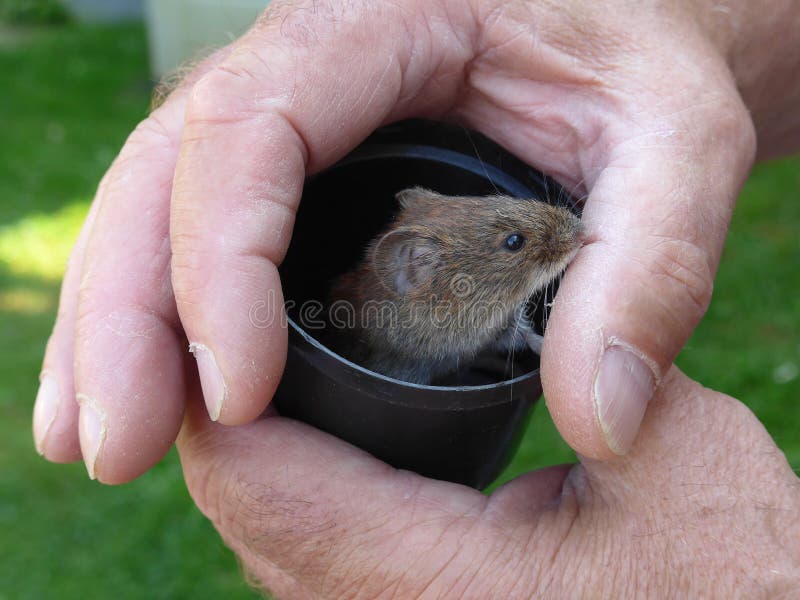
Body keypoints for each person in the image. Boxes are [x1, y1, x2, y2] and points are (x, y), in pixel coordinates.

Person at [32, 0, 800, 595]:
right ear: (416, 273)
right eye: (513, 246)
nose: (556, 238)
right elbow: (442, 347)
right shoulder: (415, 312)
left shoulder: (451, 290)